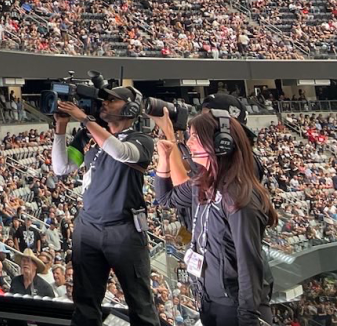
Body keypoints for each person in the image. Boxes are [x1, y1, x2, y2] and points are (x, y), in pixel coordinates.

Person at [153, 109, 276, 326]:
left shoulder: (238, 196)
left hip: (234, 307)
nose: (188, 143)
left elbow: (249, 262)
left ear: (221, 143)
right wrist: (163, 159)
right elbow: (165, 199)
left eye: (195, 137)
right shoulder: (203, 183)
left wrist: (247, 317)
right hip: (208, 300)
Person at [52, 87, 158, 326]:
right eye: (105, 100)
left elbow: (120, 152)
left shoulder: (141, 140)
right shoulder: (91, 135)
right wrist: (60, 128)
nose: (105, 104)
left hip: (123, 230)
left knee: (140, 304)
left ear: (131, 108)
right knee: (85, 302)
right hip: (88, 228)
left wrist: (85, 119)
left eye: (112, 100)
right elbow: (61, 168)